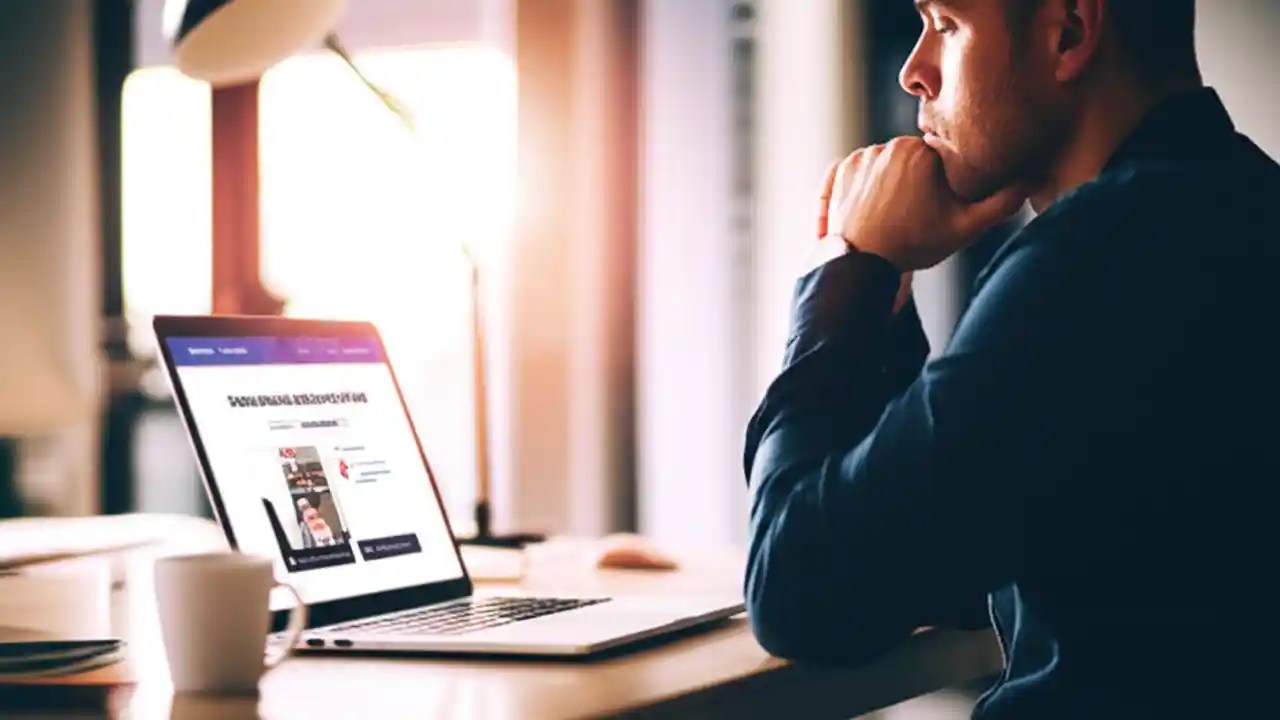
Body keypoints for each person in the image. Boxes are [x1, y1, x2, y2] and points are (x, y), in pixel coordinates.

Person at [742, 1, 1280, 717]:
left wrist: (848, 270)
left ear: (1069, 31)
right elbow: (948, 547)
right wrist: (884, 301)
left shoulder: (1097, 262)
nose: (913, 71)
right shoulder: (1233, 207)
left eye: (946, 24)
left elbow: (798, 592)